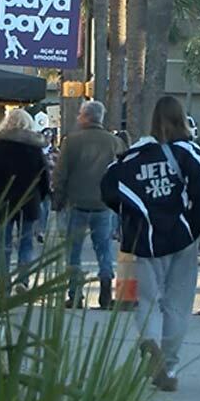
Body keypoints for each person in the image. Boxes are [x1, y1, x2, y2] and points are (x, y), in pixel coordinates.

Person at [101, 96, 200, 392]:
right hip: (182, 237)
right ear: (182, 119)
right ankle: (168, 364)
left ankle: (149, 342)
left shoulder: (135, 155)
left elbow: (108, 188)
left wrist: (132, 212)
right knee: (177, 306)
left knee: (149, 301)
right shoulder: (188, 153)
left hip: (146, 239)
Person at [55, 100, 127, 309]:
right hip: (104, 205)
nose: (78, 117)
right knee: (104, 249)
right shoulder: (114, 142)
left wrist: (58, 198)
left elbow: (60, 173)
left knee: (74, 251)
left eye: (80, 114)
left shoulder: (71, 141)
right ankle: (105, 292)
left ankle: (75, 294)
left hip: (76, 202)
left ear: (86, 117)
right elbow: (123, 172)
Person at [0, 109, 48, 288]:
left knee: (3, 246)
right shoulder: (35, 149)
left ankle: (3, 283)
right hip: (29, 202)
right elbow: (44, 178)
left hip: (2, 203)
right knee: (26, 244)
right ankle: (23, 281)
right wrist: (44, 196)